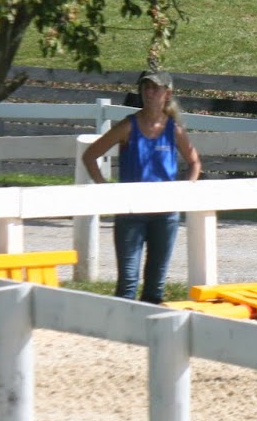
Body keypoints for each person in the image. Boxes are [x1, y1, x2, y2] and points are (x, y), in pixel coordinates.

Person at [81, 69, 202, 303]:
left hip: (165, 215)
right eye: (146, 87)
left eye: (155, 88)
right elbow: (90, 155)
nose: (149, 92)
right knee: (128, 283)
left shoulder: (173, 130)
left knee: (155, 284)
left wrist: (187, 189)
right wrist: (106, 189)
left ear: (167, 93)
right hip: (131, 213)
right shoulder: (128, 126)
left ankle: (151, 333)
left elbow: (194, 161)